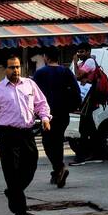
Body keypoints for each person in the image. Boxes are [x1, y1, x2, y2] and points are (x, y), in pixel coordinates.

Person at [0, 52, 52, 215]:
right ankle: (20, 211)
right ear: (5, 69)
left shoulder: (29, 85)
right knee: (11, 172)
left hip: (26, 134)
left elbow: (41, 103)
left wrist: (45, 118)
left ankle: (12, 191)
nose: (16, 70)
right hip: (7, 135)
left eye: (18, 67)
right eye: (12, 67)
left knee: (30, 166)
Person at [32, 49, 80, 188]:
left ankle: (59, 167)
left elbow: (32, 94)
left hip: (47, 115)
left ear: (46, 57)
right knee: (58, 142)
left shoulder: (40, 73)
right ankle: (57, 172)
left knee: (48, 142)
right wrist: (72, 107)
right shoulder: (66, 72)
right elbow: (77, 92)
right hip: (64, 114)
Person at [72, 47, 108, 163]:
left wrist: (74, 61)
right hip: (87, 97)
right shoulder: (84, 62)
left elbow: (77, 76)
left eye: (82, 51)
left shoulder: (89, 62)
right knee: (89, 127)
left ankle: (81, 156)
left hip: (90, 97)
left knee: (84, 127)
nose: (79, 53)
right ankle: (96, 153)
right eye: (78, 51)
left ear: (88, 52)